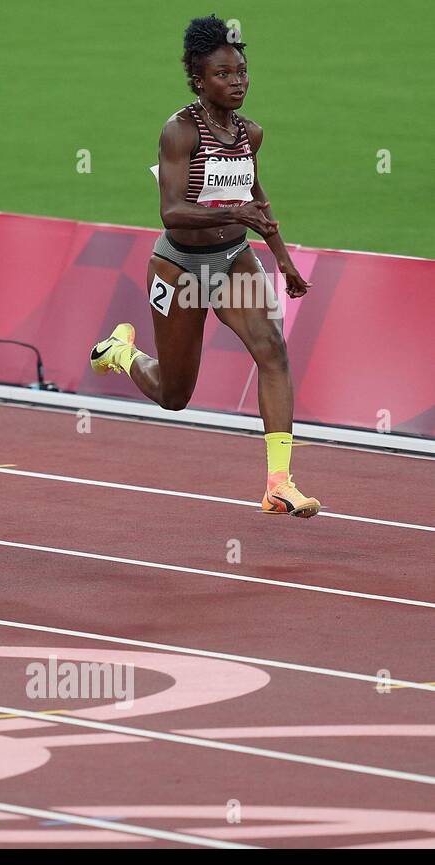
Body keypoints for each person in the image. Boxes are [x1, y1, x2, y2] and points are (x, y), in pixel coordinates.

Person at [89, 15, 318, 517]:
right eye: (223, 74)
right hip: (180, 268)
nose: (236, 83)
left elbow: (256, 198)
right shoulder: (179, 131)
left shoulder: (249, 134)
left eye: (241, 72)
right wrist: (230, 211)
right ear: (198, 79)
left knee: (273, 350)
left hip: (235, 258)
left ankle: (279, 482)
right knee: (175, 395)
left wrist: (281, 258)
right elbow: (170, 211)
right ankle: (122, 353)